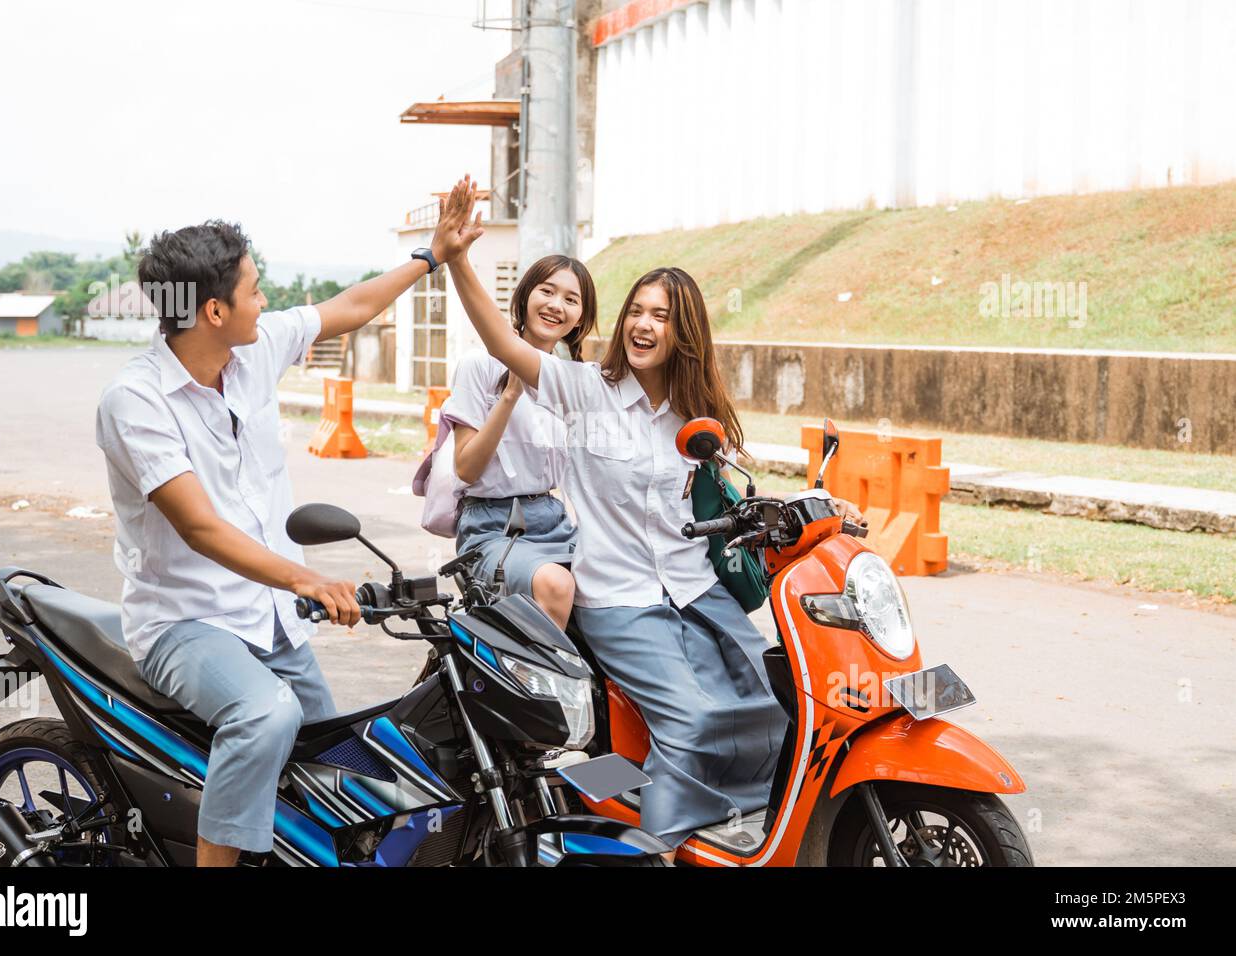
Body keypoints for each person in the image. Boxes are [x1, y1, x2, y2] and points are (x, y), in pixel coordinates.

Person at [438, 176, 854, 857]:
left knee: (787, 702)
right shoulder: (587, 391)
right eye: (637, 309)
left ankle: (763, 833)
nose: (642, 324)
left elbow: (744, 490)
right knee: (692, 719)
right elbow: (501, 343)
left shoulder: (698, 416)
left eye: (660, 315)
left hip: (698, 589)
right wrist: (456, 259)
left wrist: (829, 511)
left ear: (683, 331)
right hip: (623, 597)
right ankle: (657, 842)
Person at [94, 185, 472, 866]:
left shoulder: (255, 349)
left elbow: (348, 308)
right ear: (213, 310)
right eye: (254, 289)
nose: (264, 301)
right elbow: (201, 529)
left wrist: (431, 256)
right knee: (266, 717)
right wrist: (308, 576)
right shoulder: (136, 400)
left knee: (342, 762)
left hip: (272, 617)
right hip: (185, 621)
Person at [443, 254, 597, 629]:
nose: (556, 305)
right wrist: (509, 397)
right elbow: (466, 467)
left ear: (581, 317)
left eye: (571, 300)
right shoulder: (479, 365)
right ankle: (550, 689)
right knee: (557, 585)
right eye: (547, 291)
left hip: (555, 520)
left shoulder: (578, 380)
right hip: (493, 526)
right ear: (526, 295)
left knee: (622, 580)